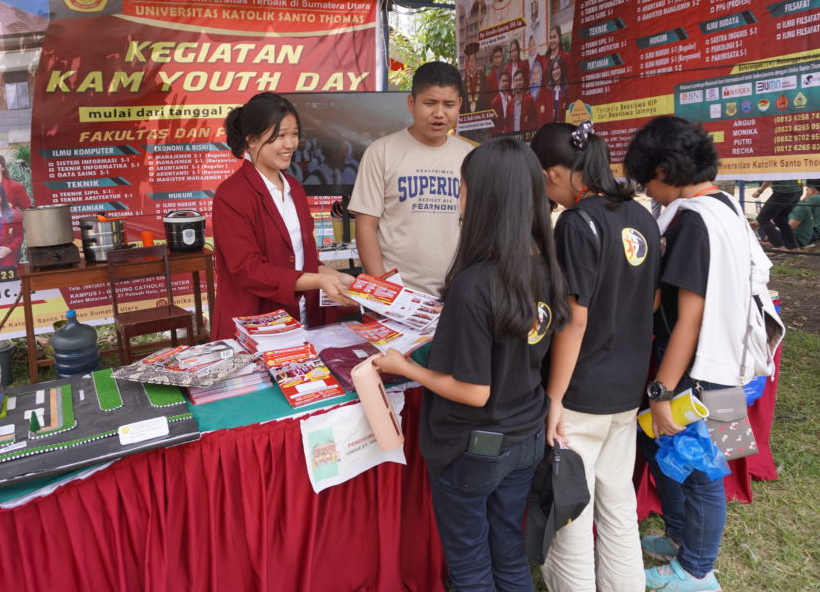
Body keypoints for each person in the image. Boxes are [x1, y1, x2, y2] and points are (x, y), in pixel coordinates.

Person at [373, 137, 569, 592]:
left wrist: (406, 367)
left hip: (476, 444)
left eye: (462, 188)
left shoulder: (477, 284)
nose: (457, 198)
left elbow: (474, 391)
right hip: (524, 435)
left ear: (485, 198)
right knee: (508, 548)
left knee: (470, 563)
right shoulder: (546, 266)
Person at [624, 115, 769, 592]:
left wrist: (662, 390)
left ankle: (697, 571)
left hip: (698, 370)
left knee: (703, 468)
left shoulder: (692, 222)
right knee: (683, 457)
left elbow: (689, 319)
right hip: (733, 362)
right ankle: (684, 540)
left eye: (646, 179)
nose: (647, 190)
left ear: (664, 171)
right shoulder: (725, 206)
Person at [531, 122, 659, 592]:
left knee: (571, 512)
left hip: (582, 393)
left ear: (558, 172)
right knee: (617, 499)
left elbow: (574, 318)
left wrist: (554, 397)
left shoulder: (576, 223)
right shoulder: (641, 215)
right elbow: (649, 301)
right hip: (627, 387)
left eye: (546, 180)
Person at [211, 92, 356, 340]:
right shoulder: (231, 195)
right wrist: (318, 281)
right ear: (252, 140)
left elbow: (303, 259)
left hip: (301, 318)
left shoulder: (294, 188)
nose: (290, 144)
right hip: (255, 325)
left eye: (295, 134)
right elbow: (249, 270)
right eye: (280, 136)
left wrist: (335, 277)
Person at [350, 61, 474, 296]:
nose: (439, 113)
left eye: (448, 104)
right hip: (398, 295)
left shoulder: (469, 156)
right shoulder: (382, 152)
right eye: (430, 103)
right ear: (411, 103)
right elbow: (366, 226)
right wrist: (383, 291)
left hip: (456, 294)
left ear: (459, 105)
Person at [753, 180, 803, 250]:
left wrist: (760, 190)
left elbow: (769, 177)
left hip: (783, 191)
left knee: (763, 219)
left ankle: (779, 246)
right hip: (796, 190)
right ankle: (794, 247)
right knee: (780, 219)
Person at [788, 181, 820, 247]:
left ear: (813, 190)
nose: (806, 193)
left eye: (807, 190)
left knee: (791, 225)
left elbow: (799, 212)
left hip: (818, 233)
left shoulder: (813, 198)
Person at [537, 56, 568, 124]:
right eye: (553, 70)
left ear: (562, 69)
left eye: (557, 68)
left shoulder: (567, 89)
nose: (555, 72)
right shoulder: (546, 91)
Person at [489, 70, 513, 134]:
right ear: (499, 82)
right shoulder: (494, 103)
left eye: (507, 81)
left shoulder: (511, 99)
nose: (505, 83)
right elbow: (491, 125)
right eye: (503, 81)